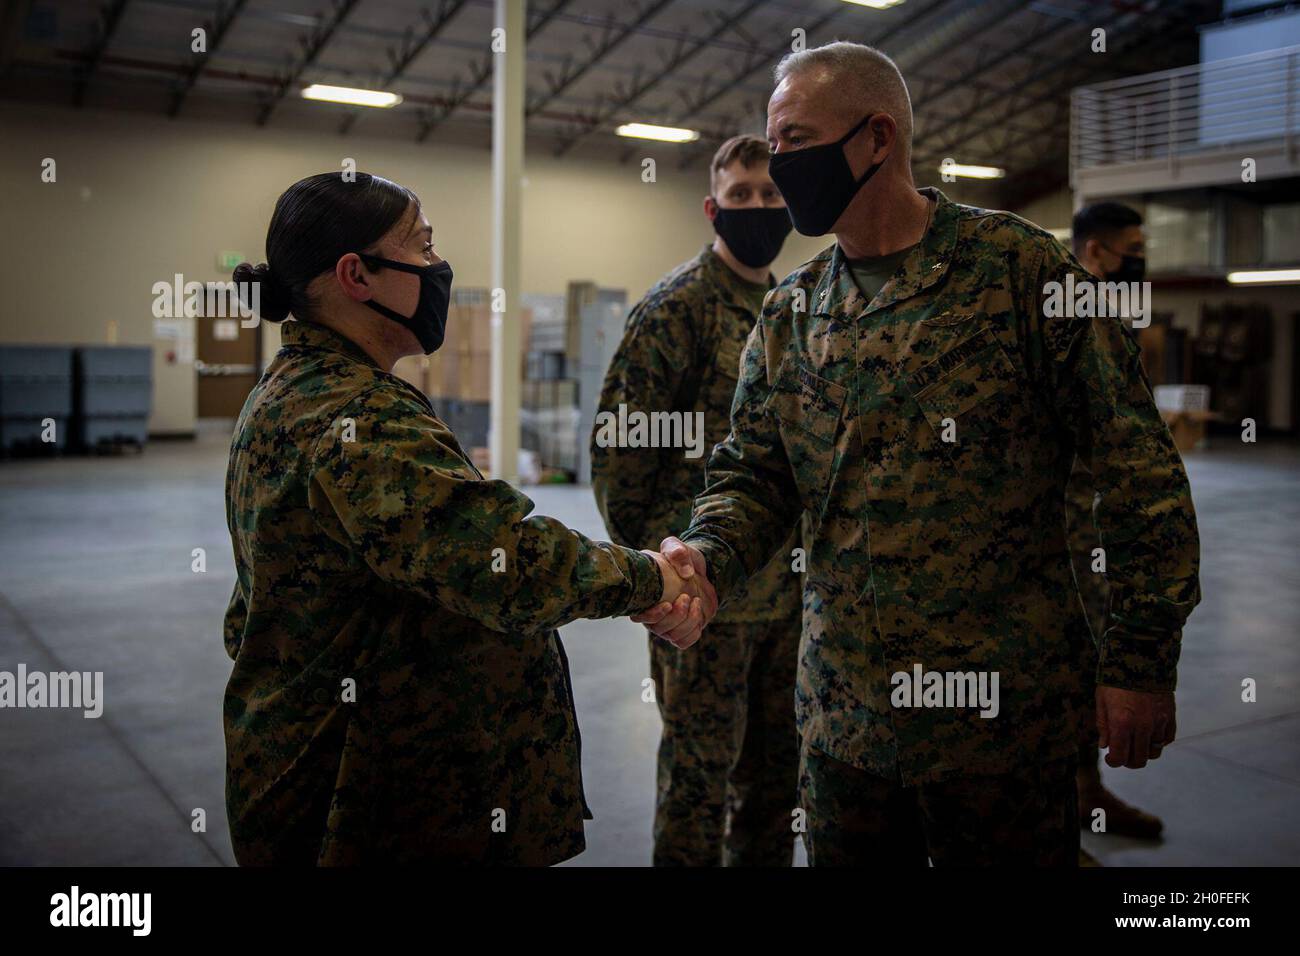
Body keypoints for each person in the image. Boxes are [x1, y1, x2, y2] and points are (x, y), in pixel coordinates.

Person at [639, 42, 1200, 867]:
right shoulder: (792, 311)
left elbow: (1138, 472)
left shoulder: (1020, 272)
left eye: (795, 141)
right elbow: (755, 473)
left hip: (1000, 728)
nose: (782, 165)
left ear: (877, 139)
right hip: (844, 726)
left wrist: (1141, 660)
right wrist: (707, 557)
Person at [222, 171, 714, 866]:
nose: (436, 267)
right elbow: (506, 562)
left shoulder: (299, 391)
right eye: (421, 247)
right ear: (356, 274)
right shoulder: (354, 418)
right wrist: (654, 579)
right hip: (376, 809)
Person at [592, 135, 801, 866]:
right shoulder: (675, 308)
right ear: (713, 207)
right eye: (740, 195)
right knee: (698, 778)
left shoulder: (792, 307)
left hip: (790, 595)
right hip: (705, 600)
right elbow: (619, 462)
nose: (756, 207)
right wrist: (665, 580)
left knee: (780, 782)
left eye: (771, 194)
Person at [1068, 201, 1164, 841]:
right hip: (1057, 537)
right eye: (1132, 247)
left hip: (1096, 528)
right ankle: (1057, 820)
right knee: (1059, 681)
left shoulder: (1107, 318)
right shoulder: (1060, 316)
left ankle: (1087, 800)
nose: (1141, 258)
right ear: (1096, 252)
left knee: (1086, 676)